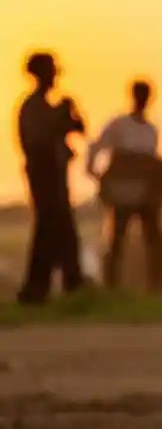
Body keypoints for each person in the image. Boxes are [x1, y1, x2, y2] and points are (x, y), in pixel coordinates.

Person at [15, 52, 88, 305]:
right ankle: (38, 289)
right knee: (49, 230)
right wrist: (61, 117)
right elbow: (39, 143)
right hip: (44, 178)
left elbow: (78, 129)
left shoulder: (46, 107)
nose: (55, 75)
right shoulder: (33, 108)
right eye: (52, 70)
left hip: (56, 177)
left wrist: (69, 112)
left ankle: (71, 283)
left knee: (63, 231)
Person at [85, 79, 162, 291]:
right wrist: (94, 172)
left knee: (154, 237)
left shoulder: (151, 130)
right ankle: (111, 285)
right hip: (123, 190)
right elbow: (97, 146)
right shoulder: (119, 125)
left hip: (146, 190)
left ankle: (156, 285)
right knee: (117, 238)